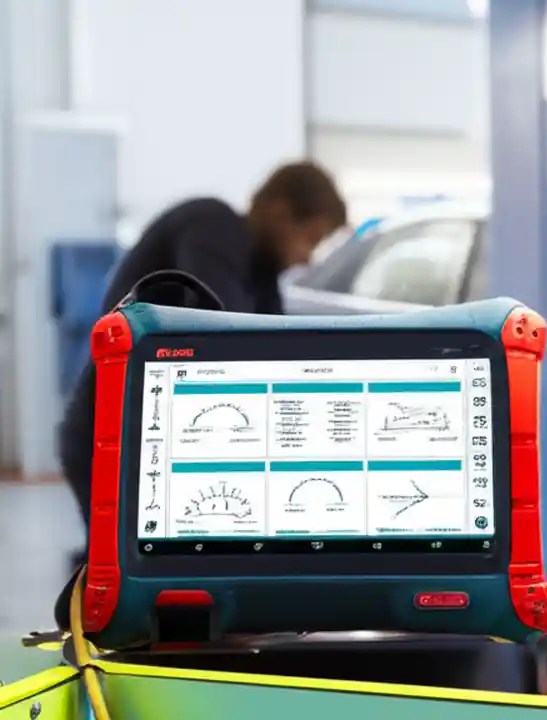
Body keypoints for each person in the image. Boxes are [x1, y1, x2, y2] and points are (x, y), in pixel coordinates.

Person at [58, 161, 348, 550]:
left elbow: (279, 350)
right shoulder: (212, 225)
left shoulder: (260, 274)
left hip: (157, 441)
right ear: (280, 212)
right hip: (115, 438)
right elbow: (222, 331)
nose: (308, 258)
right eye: (310, 238)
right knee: (127, 579)